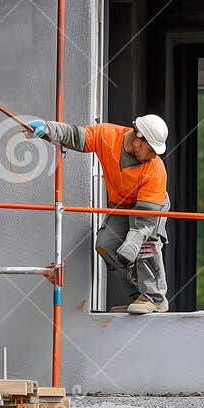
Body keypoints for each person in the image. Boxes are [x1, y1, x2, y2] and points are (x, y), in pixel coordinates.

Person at [26, 113, 170, 314]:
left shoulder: (156, 170)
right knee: (106, 245)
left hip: (150, 208)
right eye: (152, 150)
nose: (155, 156)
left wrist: (132, 243)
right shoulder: (107, 135)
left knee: (145, 246)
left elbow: (144, 220)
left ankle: (155, 298)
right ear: (138, 141)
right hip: (122, 203)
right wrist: (48, 128)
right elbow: (75, 136)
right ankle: (138, 296)